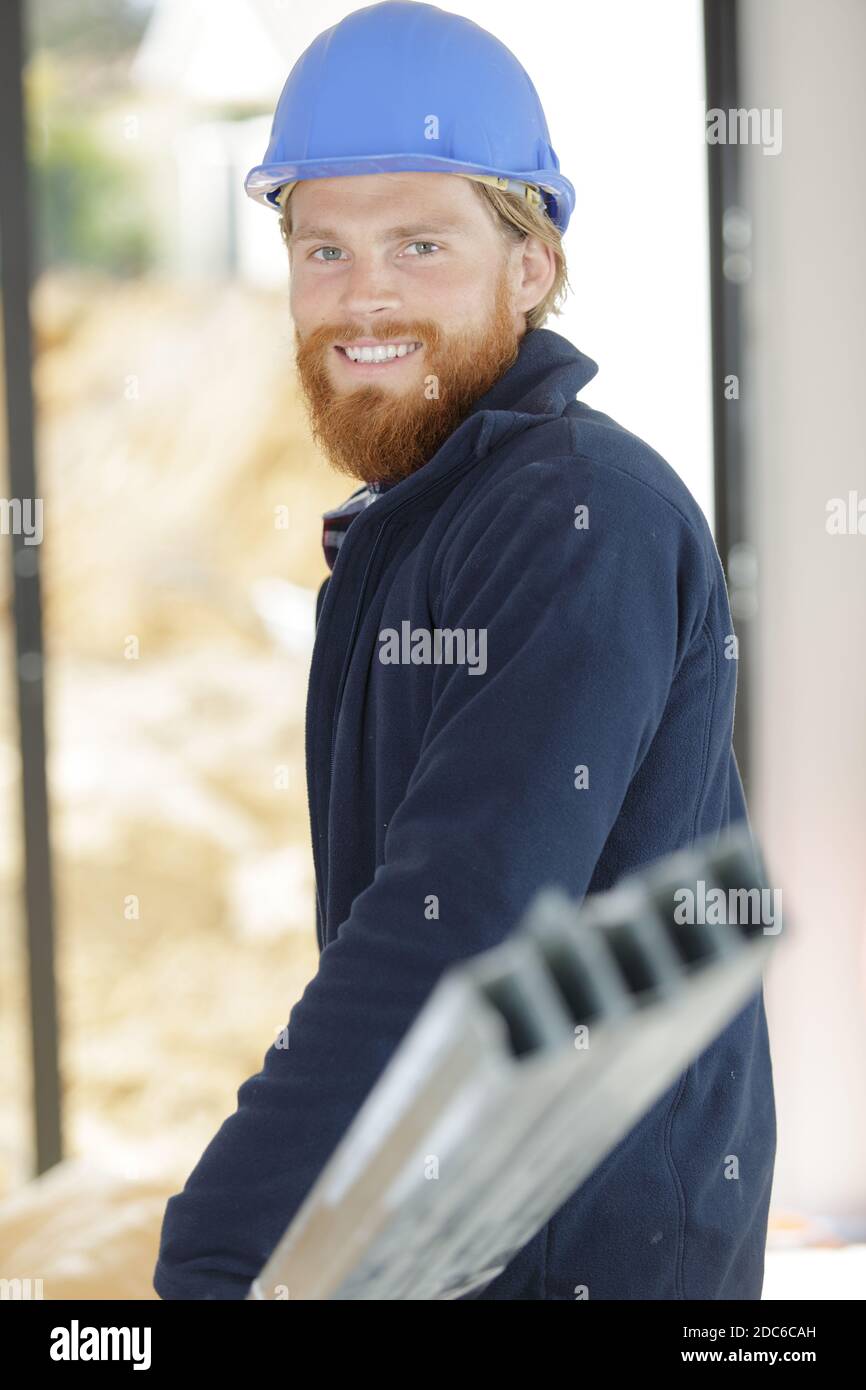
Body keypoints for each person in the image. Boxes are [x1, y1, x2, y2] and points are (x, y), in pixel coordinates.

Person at [153, 0, 776, 1301]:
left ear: (530, 265)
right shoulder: (419, 519)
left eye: (418, 243)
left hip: (578, 1243)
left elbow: (458, 919)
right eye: (321, 248)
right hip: (468, 1216)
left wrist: (222, 1245)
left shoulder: (572, 515)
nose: (361, 293)